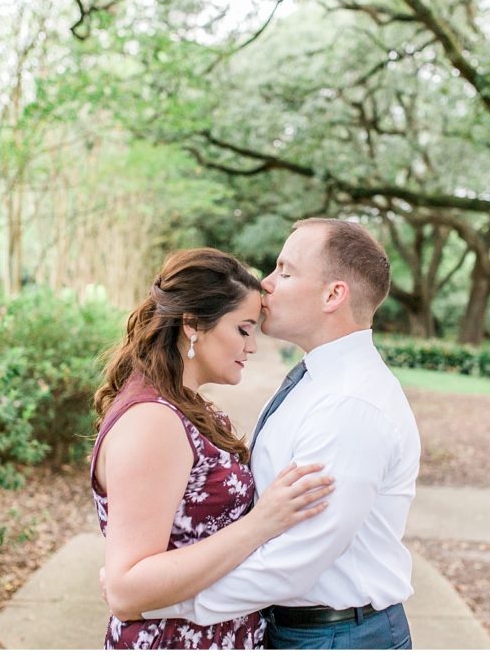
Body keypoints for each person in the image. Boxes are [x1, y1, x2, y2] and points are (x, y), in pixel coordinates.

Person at [139, 218, 422, 649]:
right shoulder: (319, 380)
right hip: (307, 629)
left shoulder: (350, 405)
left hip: (338, 637)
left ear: (333, 295)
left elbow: (296, 560)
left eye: (285, 271)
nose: (266, 284)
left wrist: (164, 603)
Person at [91, 247, 335, 649]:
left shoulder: (185, 406)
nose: (251, 346)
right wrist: (261, 524)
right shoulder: (153, 421)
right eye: (243, 329)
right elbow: (127, 589)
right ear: (192, 324)